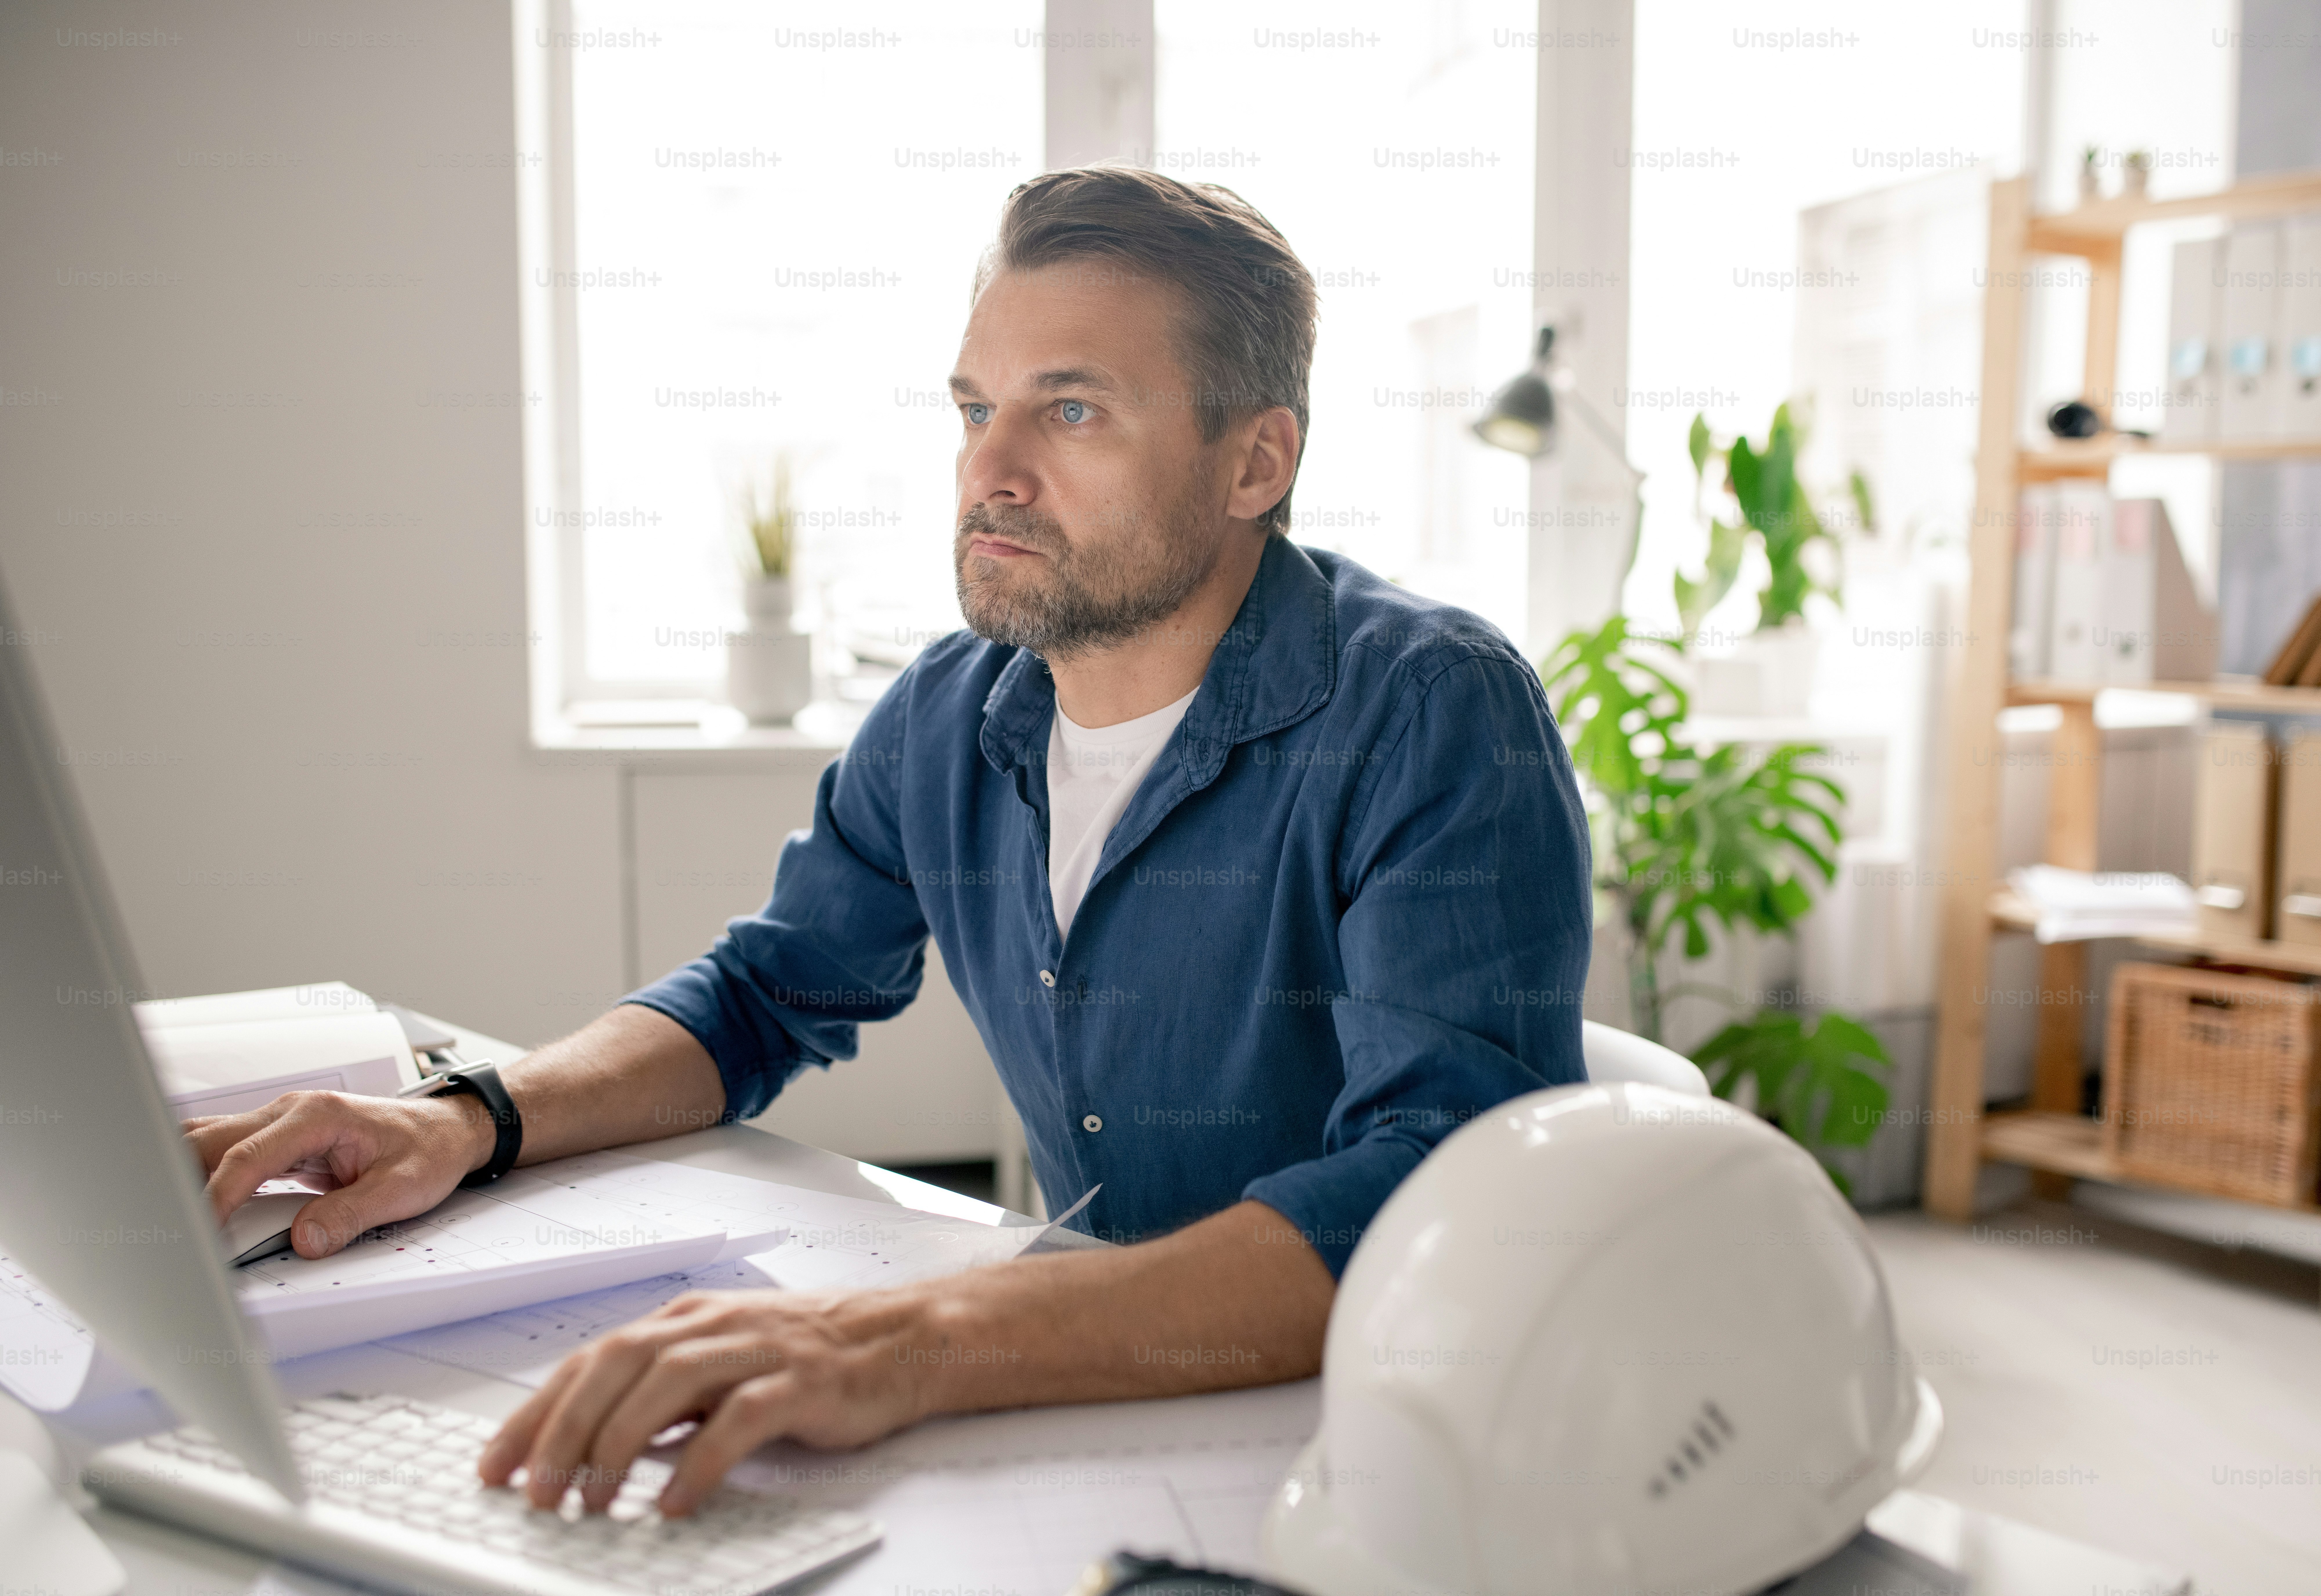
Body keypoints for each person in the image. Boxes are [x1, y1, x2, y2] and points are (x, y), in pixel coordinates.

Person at [184, 166, 1593, 1517]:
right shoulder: (951, 708)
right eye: (976, 407)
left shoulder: (1432, 710)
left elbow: (1426, 1190)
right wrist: (464, 1119)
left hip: (1370, 1445)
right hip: (1093, 1407)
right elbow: (760, 995)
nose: (992, 467)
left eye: (1075, 411)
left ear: (1255, 460)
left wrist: (909, 1339)